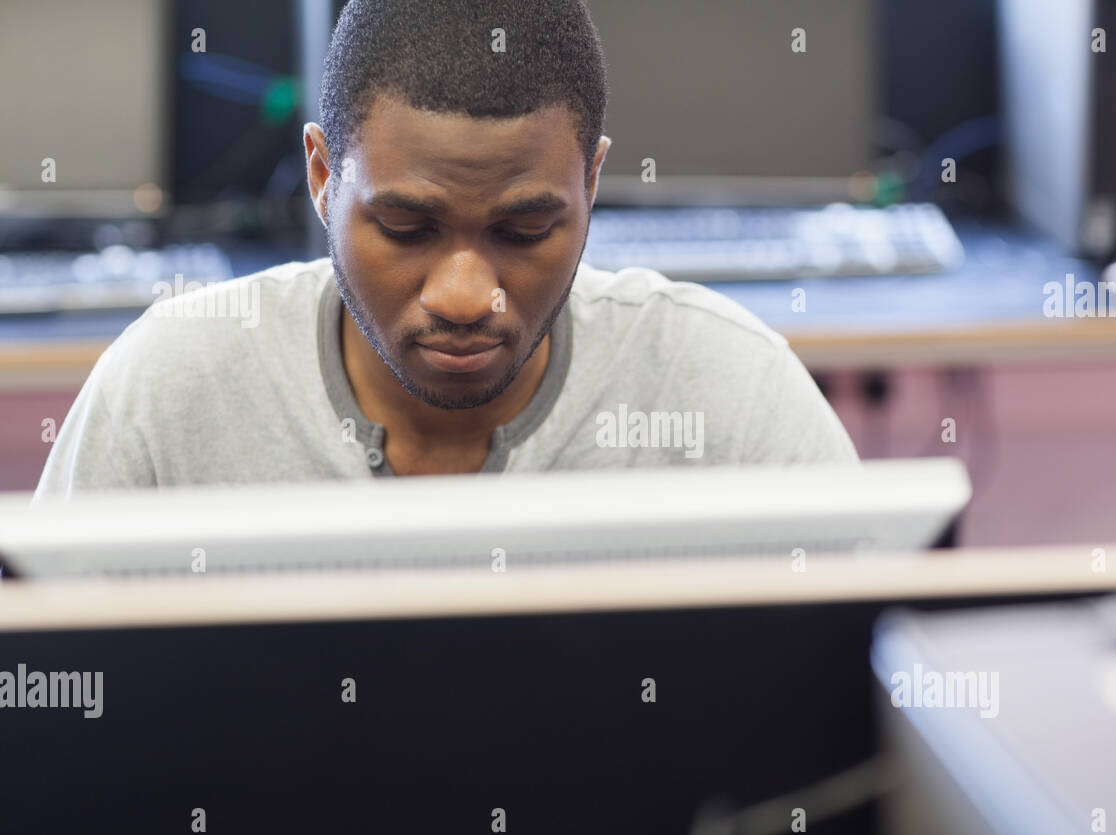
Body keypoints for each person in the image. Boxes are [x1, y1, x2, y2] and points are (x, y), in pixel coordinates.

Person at [34, 0, 856, 500]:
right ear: (323, 177)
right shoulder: (167, 393)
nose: (466, 297)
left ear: (593, 181)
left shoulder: (732, 396)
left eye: (526, 231)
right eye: (406, 228)